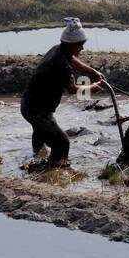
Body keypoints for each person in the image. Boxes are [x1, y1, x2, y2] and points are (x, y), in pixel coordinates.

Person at [20, 18, 108, 170]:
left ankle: (37, 161)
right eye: (80, 45)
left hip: (28, 104)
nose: (82, 49)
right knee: (62, 143)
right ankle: (56, 171)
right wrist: (96, 87)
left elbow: (73, 60)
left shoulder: (58, 50)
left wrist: (92, 72)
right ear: (71, 45)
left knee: (40, 132)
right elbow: (73, 90)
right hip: (37, 111)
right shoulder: (62, 66)